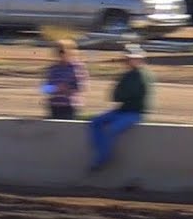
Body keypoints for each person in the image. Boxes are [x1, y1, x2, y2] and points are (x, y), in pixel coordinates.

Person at [87, 44, 153, 173]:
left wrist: (123, 94)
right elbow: (115, 95)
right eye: (128, 58)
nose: (130, 61)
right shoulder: (127, 75)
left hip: (135, 113)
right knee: (95, 122)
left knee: (111, 130)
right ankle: (102, 153)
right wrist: (123, 94)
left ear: (140, 59)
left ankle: (103, 158)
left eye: (133, 58)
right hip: (122, 110)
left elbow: (126, 94)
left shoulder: (143, 75)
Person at [42, 38, 89, 120]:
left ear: (71, 51)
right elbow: (44, 88)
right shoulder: (53, 68)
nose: (60, 54)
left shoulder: (77, 67)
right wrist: (56, 88)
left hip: (69, 106)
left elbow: (81, 86)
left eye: (62, 51)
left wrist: (67, 89)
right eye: (57, 51)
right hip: (54, 105)